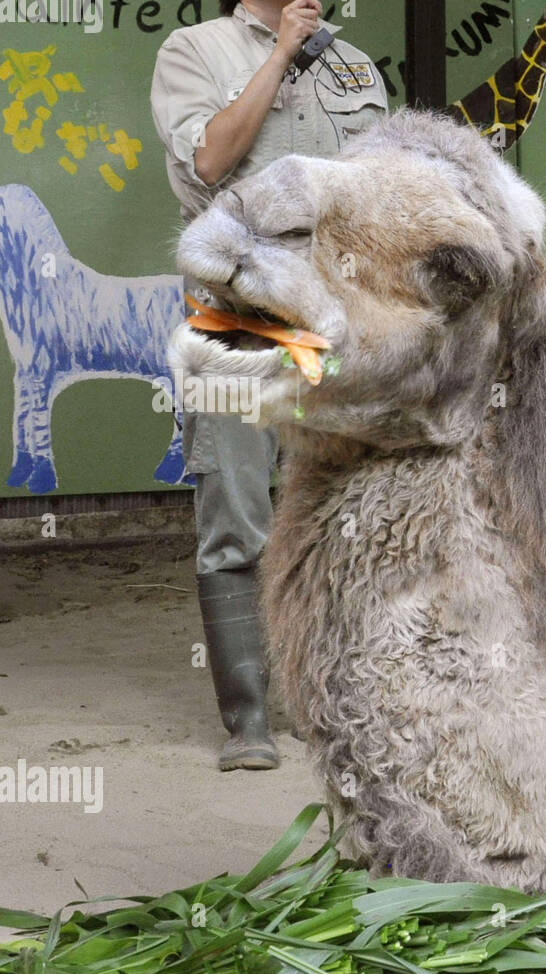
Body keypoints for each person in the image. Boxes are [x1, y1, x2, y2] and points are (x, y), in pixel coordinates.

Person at [151, 1, 388, 770]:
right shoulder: (195, 50)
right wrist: (282, 51)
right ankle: (249, 719)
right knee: (235, 513)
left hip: (335, 326)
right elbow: (210, 161)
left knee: (340, 517)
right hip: (235, 327)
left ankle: (333, 705)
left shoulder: (355, 64)